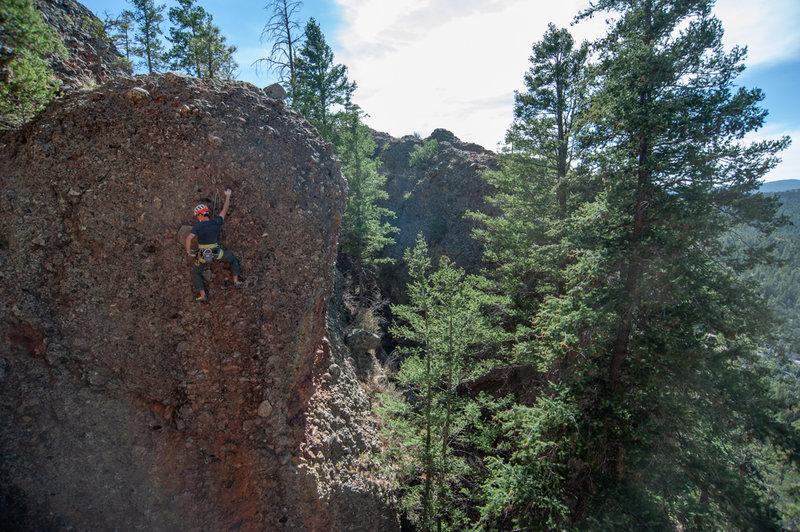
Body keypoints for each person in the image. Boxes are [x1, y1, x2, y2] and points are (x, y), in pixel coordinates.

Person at [185, 188, 242, 302]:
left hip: (202, 254)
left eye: (197, 216)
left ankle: (202, 294)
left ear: (200, 215)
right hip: (216, 252)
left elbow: (189, 238)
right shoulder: (216, 222)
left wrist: (188, 251)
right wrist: (228, 196)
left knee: (196, 273)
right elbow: (224, 210)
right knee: (233, 260)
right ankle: (236, 281)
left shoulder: (197, 227)